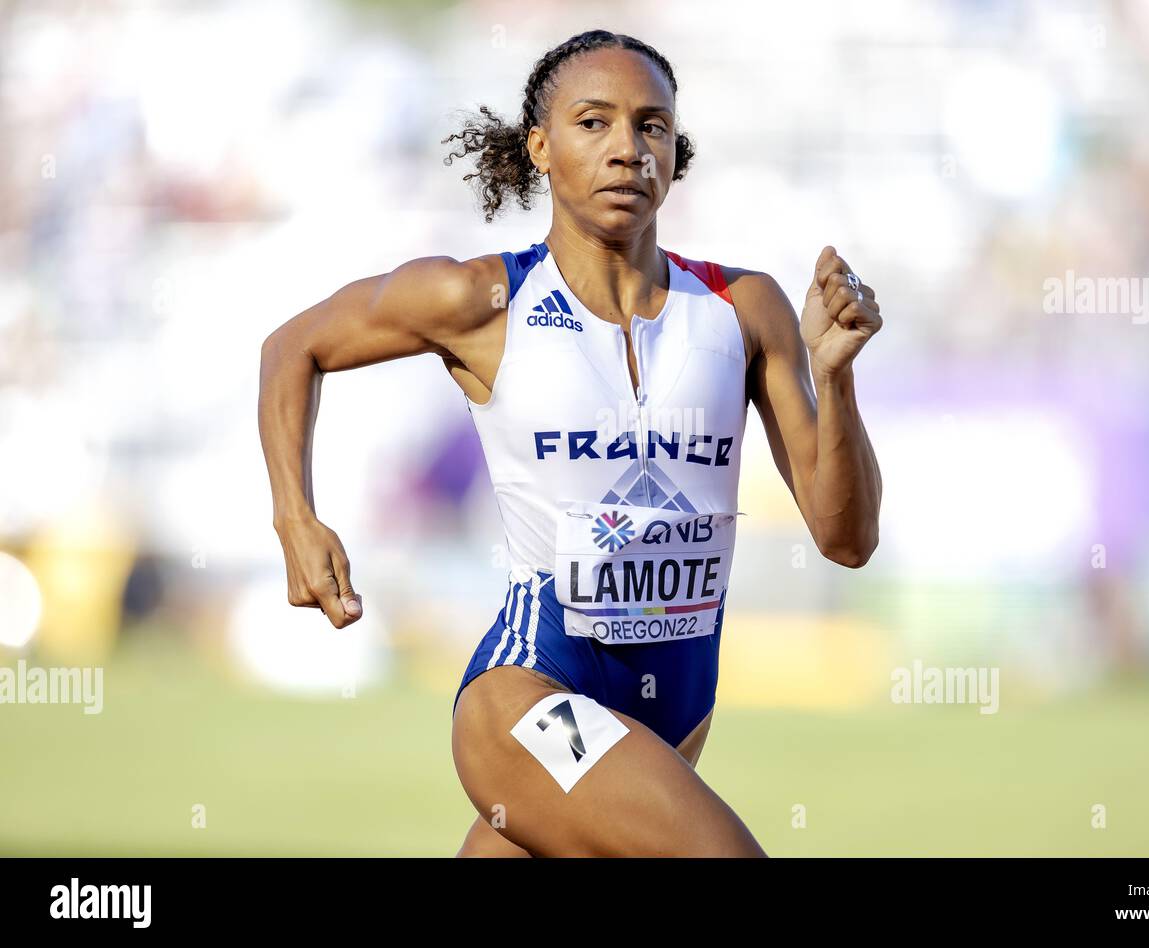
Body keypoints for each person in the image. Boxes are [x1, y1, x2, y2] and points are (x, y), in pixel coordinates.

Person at [258, 29, 883, 857]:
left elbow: (846, 540)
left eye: (651, 126)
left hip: (673, 715)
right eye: (594, 123)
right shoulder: (482, 299)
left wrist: (835, 379)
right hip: (528, 702)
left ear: (675, 148)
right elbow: (294, 346)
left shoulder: (742, 308)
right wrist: (296, 520)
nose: (628, 149)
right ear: (541, 147)